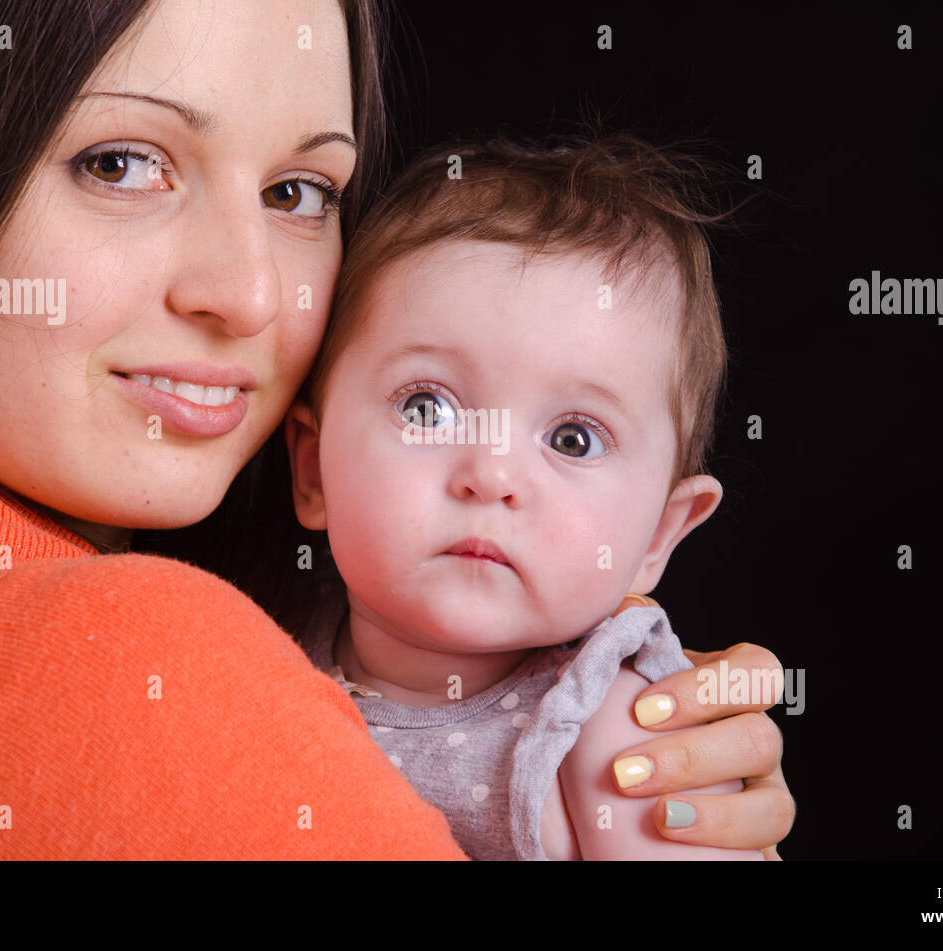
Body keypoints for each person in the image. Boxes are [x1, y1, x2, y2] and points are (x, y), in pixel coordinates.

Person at [0, 0, 793, 859]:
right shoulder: (110, 661)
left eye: (296, 193)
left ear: (670, 524)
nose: (248, 295)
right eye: (120, 164)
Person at [285, 133, 764, 859]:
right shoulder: (266, 644)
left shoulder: (604, 717)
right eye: (425, 408)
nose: (492, 475)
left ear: (657, 538)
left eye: (574, 438)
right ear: (313, 468)